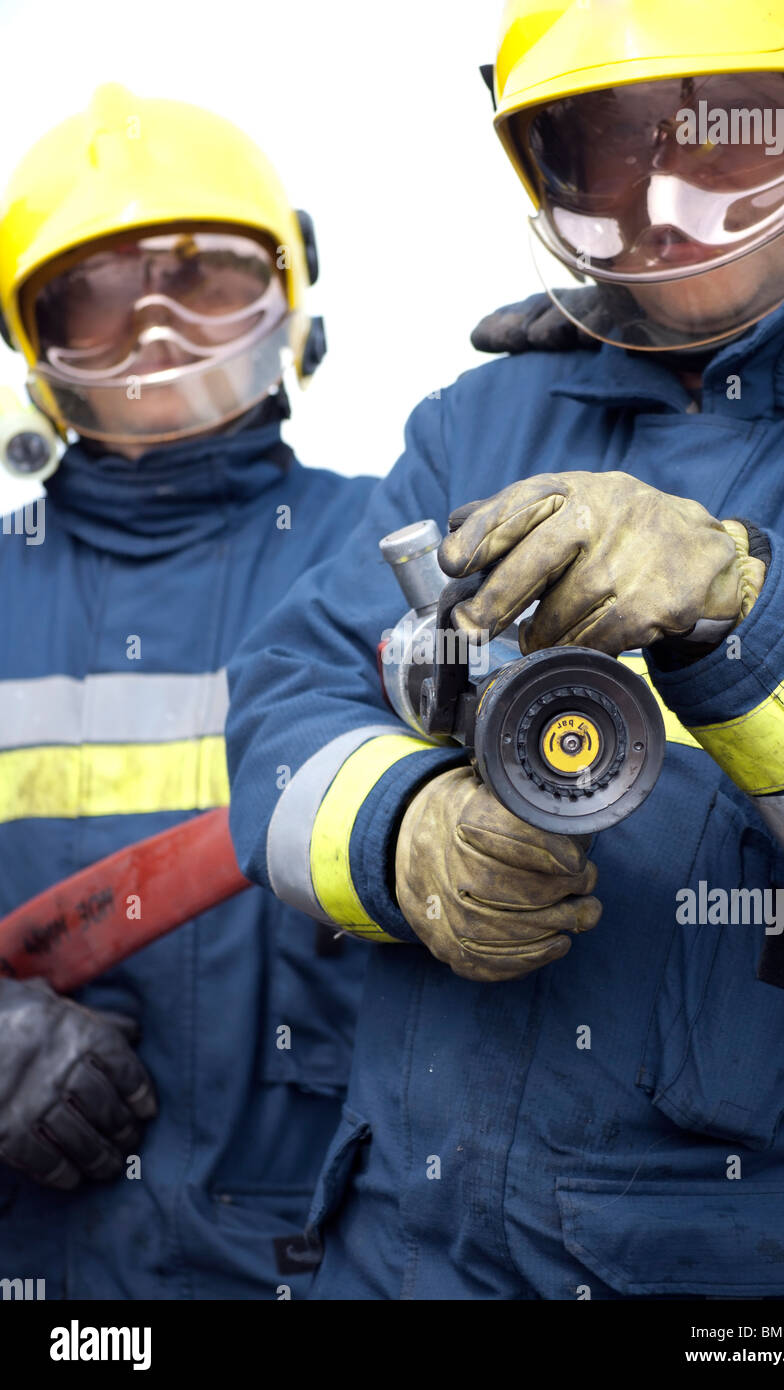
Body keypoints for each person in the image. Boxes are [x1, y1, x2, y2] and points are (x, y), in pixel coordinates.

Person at [226, 0, 784, 1299]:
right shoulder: (481, 421)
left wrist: (745, 602)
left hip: (734, 1276)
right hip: (392, 1252)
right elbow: (288, 710)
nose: (662, 203)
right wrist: (401, 834)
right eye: (608, 153)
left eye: (728, 144)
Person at [0, 84, 373, 1299]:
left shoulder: (404, 552)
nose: (153, 329)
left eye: (204, 276)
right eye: (95, 300)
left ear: (290, 292)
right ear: (32, 346)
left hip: (350, 1259)